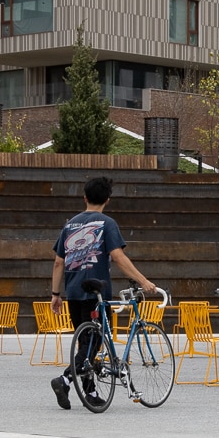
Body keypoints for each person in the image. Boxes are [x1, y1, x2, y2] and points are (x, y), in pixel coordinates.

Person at [48, 176, 158, 410]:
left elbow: (59, 262)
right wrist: (144, 280)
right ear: (108, 199)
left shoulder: (70, 225)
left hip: (74, 293)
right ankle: (65, 380)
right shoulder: (107, 223)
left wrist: (55, 293)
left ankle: (91, 392)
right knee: (93, 343)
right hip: (96, 294)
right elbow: (118, 257)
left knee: (85, 343)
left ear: (84, 197)